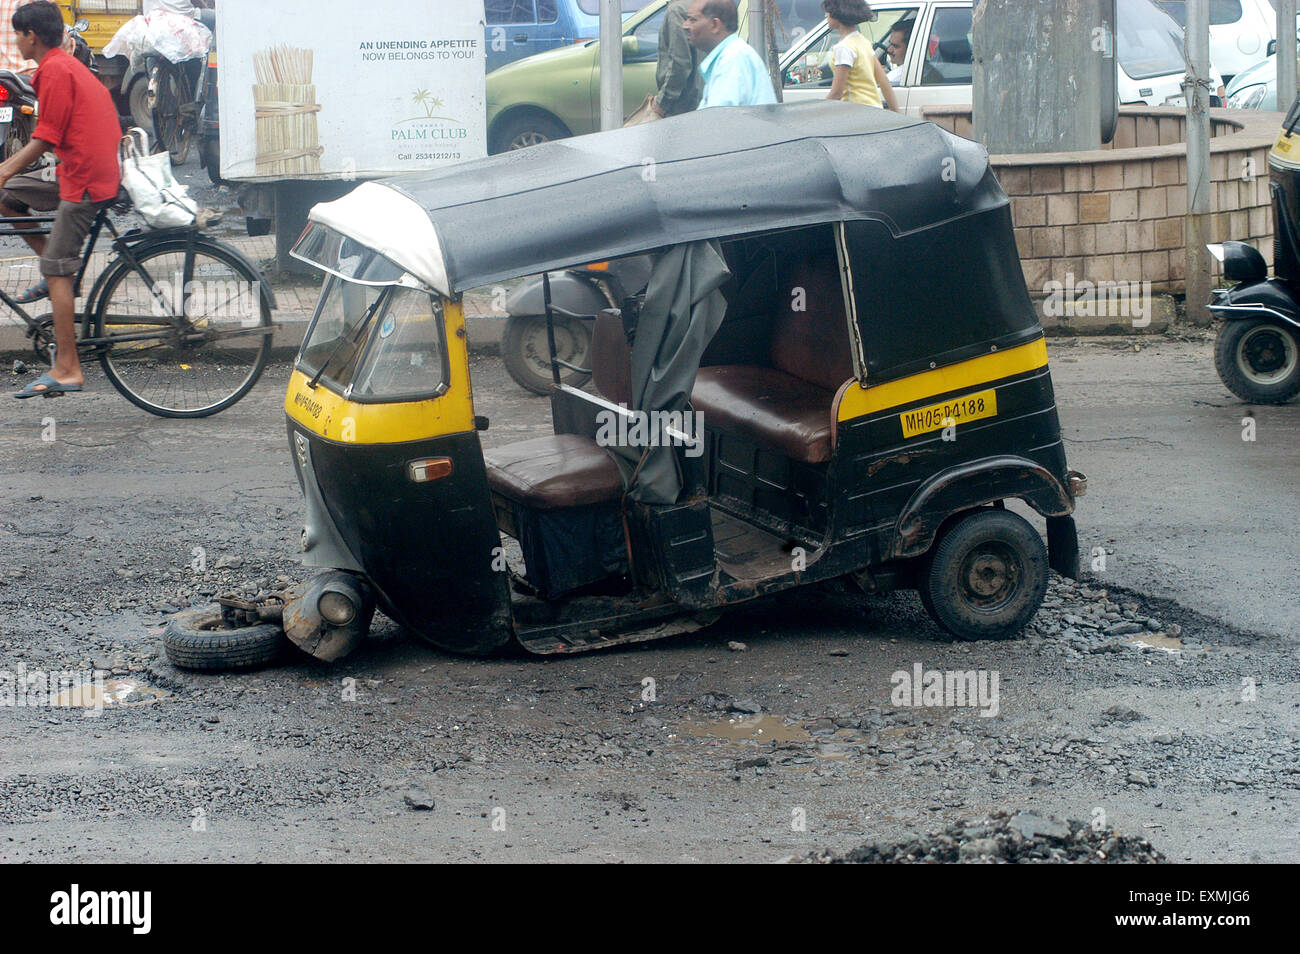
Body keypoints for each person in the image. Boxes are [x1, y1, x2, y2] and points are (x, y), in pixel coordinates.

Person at [1, 1, 122, 398]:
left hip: (85, 177)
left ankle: (68, 367)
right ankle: (55, 270)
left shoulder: (54, 69)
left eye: (18, 34)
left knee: (57, 271)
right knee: (6, 198)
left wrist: (5, 168)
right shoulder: (60, 64)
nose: (16, 40)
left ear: (30, 36)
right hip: (82, 167)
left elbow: (45, 138)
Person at [682, 0, 776, 109]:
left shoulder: (732, 59)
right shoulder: (732, 55)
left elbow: (718, 120)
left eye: (692, 20)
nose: (685, 25)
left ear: (714, 25)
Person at [823, 0, 897, 110]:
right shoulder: (863, 41)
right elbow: (884, 82)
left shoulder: (843, 48)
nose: (826, 15)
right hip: (874, 110)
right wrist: (897, 112)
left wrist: (817, 113)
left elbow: (836, 93)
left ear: (837, 14)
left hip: (856, 111)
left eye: (828, 12)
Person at [652, 0, 701, 118]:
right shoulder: (701, 5)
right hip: (699, 101)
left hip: (681, 105)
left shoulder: (676, 11)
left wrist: (663, 103)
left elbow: (680, 62)